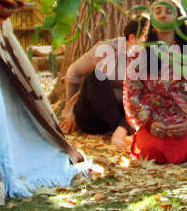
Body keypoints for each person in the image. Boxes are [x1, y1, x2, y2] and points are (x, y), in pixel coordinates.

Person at [122, 0, 187, 164]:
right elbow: (132, 95)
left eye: (169, 12)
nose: (163, 15)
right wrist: (150, 123)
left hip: (184, 123)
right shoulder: (138, 55)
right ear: (152, 23)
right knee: (152, 152)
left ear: (178, 21)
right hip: (153, 122)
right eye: (158, 11)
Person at [59, 18, 143, 146]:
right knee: (95, 77)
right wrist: (69, 112)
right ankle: (119, 132)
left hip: (126, 116)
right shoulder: (108, 49)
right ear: (132, 38)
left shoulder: (152, 56)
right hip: (95, 116)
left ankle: (121, 132)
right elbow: (74, 71)